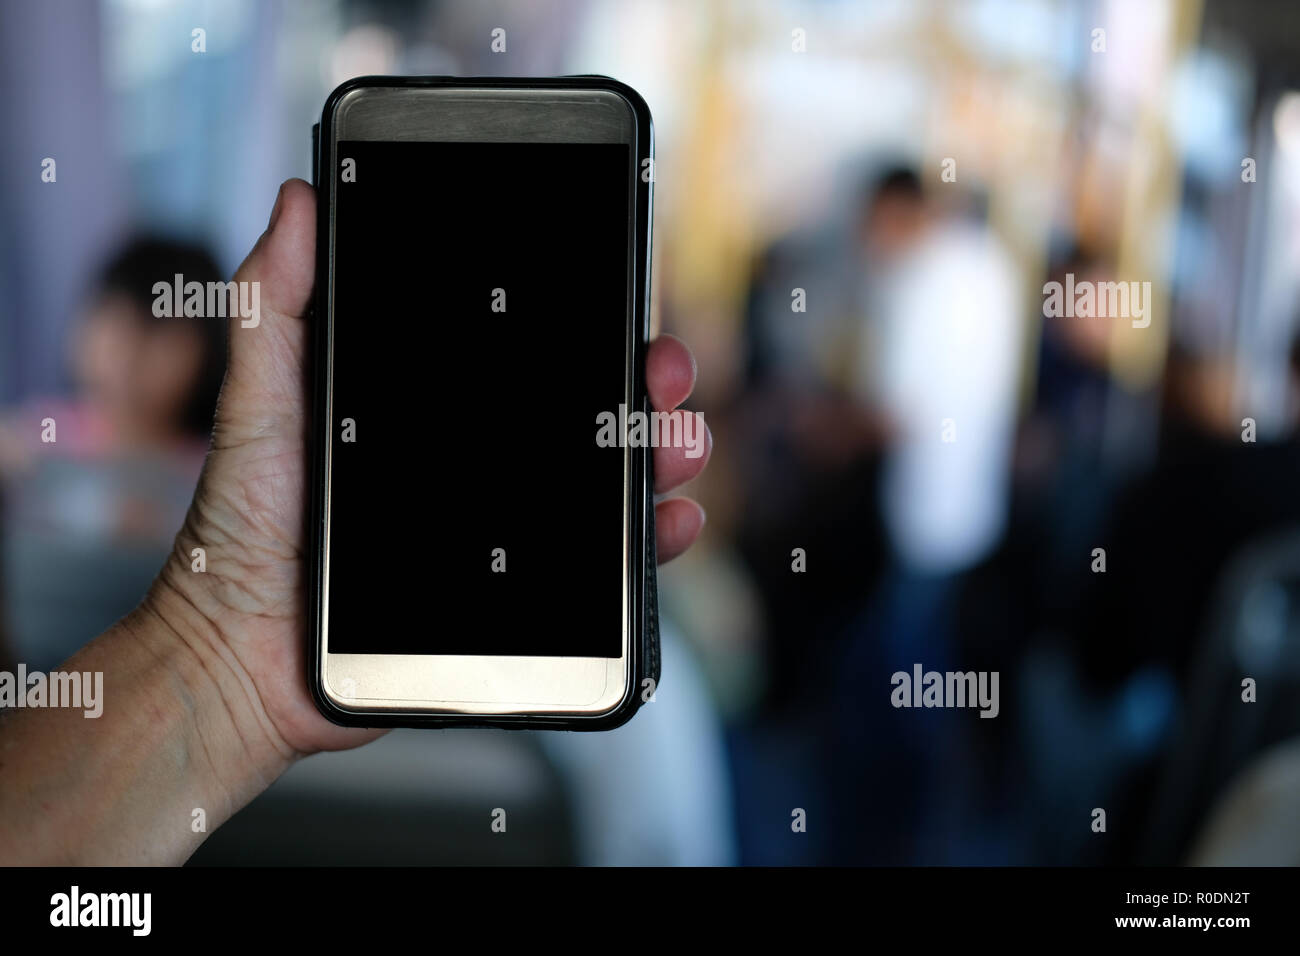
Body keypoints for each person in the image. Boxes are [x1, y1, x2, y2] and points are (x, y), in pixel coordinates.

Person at [0, 179, 709, 865]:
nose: (125, 352)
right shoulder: (46, 441)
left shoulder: (224, 459)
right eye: (111, 321)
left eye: (157, 332)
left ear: (204, 346)